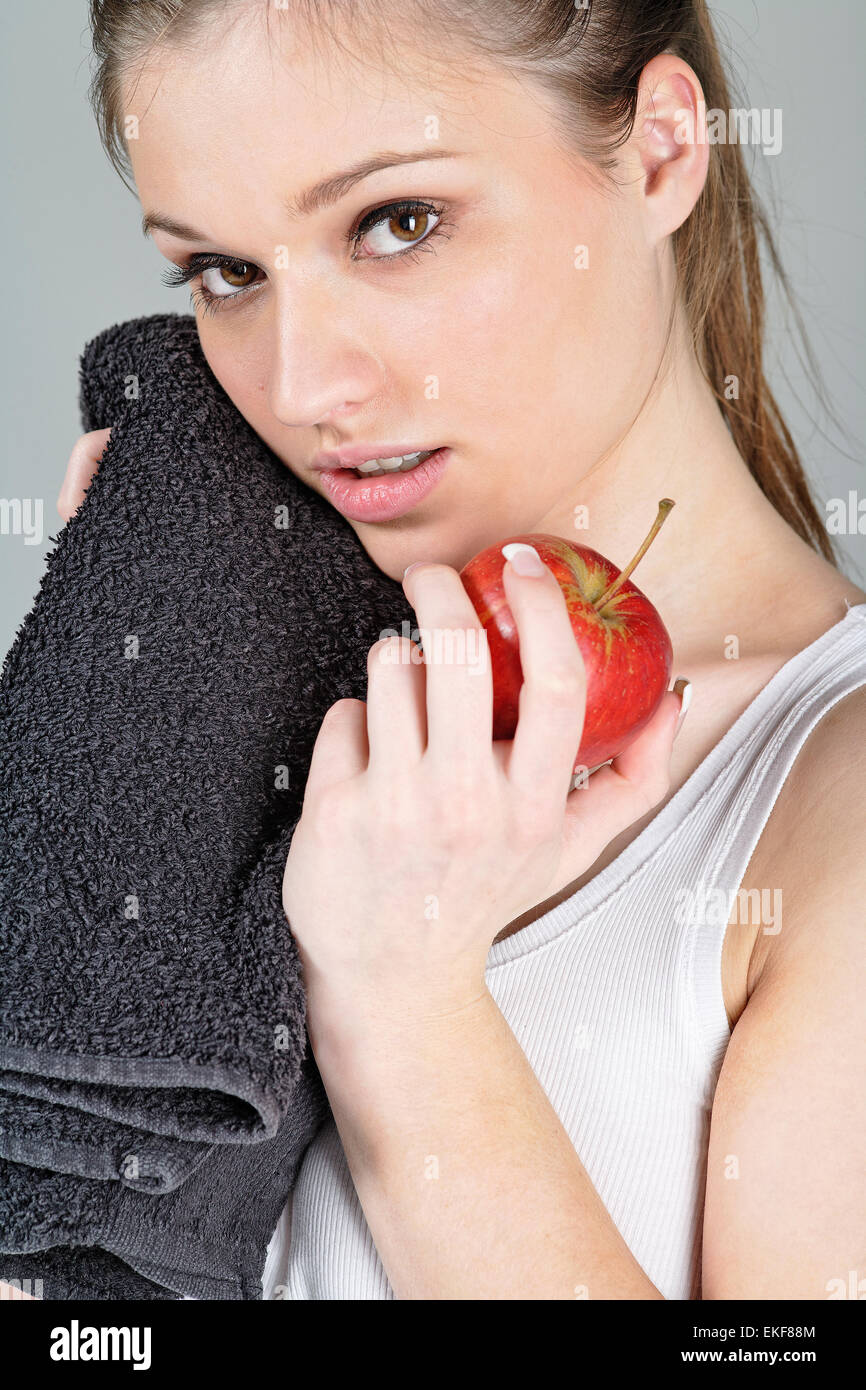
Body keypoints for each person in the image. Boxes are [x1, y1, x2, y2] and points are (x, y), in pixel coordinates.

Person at [53, 0, 865, 1300]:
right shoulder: (268, 710)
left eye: (396, 223)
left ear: (660, 149)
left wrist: (401, 999)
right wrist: (125, 711)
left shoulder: (832, 819)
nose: (308, 383)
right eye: (225, 272)